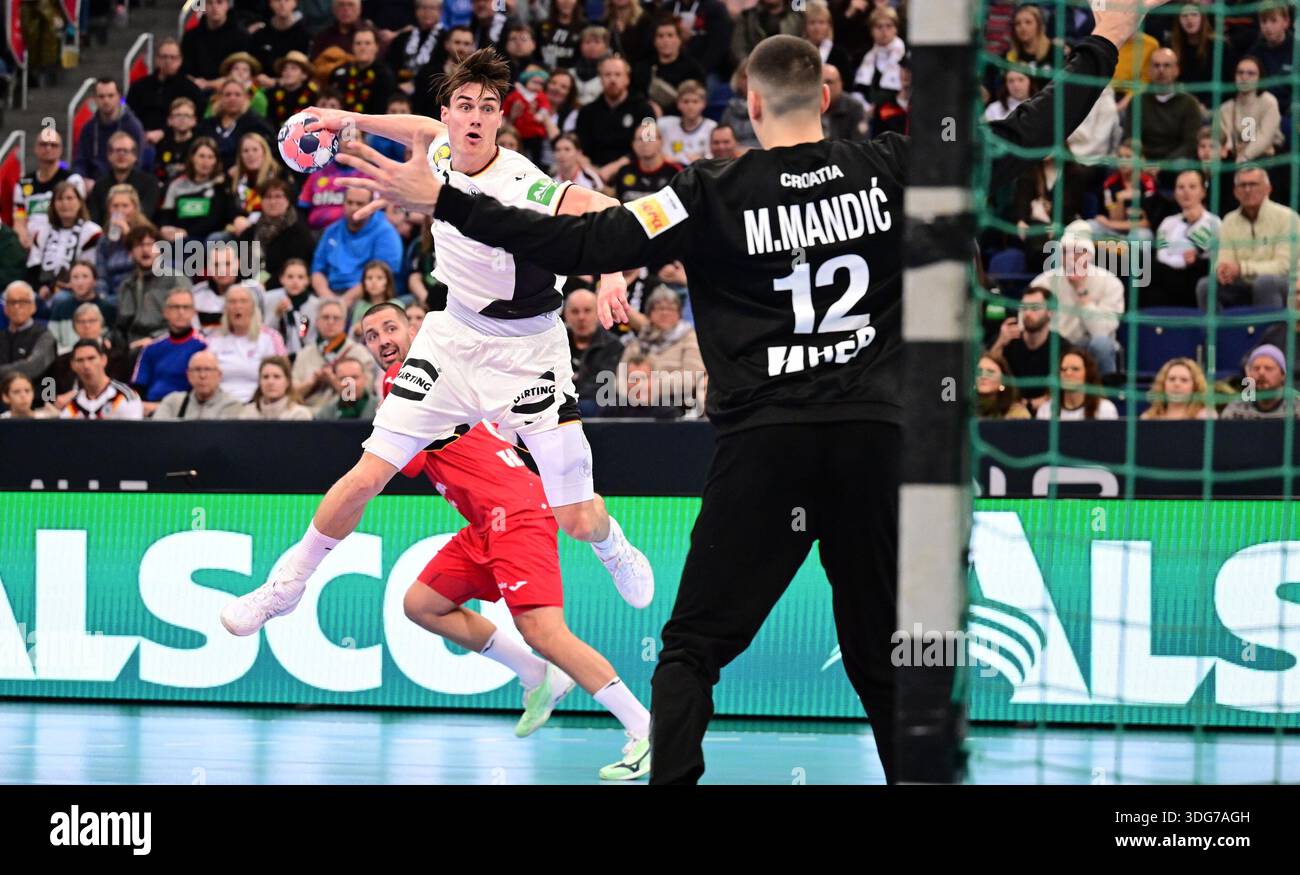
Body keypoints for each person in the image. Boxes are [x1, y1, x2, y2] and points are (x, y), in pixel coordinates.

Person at [346, 7, 1164, 782]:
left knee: (692, 649)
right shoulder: (892, 161)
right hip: (876, 437)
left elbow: (584, 237)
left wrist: (447, 199)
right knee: (886, 654)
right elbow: (1025, 137)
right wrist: (1109, 33)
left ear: (753, 102)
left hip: (764, 444)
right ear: (828, 96)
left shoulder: (705, 191)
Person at [221, 47, 656, 653]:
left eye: (487, 108)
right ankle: (286, 585)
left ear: (500, 118)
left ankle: (613, 545)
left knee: (577, 520)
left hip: (528, 351)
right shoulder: (443, 148)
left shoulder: (522, 182)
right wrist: (346, 116)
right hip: (451, 339)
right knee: (369, 472)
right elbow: (422, 131)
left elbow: (604, 208)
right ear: (450, 114)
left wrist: (612, 271)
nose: (474, 118)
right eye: (463, 106)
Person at [296, 301, 654, 778]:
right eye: (371, 336)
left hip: (518, 511)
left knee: (545, 632)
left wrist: (386, 423)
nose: (382, 340)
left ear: (415, 327)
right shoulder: (438, 374)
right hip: (483, 522)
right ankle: (536, 675)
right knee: (422, 603)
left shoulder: (408, 381)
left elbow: (409, 465)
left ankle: (645, 729)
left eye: (390, 328)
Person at [1025, 222, 1124, 375]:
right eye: (1065, 252)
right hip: (1054, 345)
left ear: (1089, 255)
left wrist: (1081, 291)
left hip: (1088, 346)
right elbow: (1025, 319)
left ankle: (1105, 394)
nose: (1071, 258)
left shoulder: (1110, 283)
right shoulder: (1043, 282)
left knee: (1102, 344)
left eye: (1078, 252)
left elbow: (1101, 332)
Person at [1196, 167, 1299, 312]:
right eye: (1242, 185)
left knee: (1265, 283)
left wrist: (1241, 269)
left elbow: (1283, 266)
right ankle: (1214, 334)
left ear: (1268, 189)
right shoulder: (1229, 220)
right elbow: (1223, 260)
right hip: (1243, 284)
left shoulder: (1288, 218)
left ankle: (1270, 334)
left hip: (1284, 284)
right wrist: (1222, 271)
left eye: (1253, 184)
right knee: (1206, 286)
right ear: (1235, 192)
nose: (1248, 190)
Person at [1151, 169, 1220, 309]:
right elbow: (1161, 255)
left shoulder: (1214, 222)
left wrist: (1193, 224)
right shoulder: (1167, 223)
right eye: (1181, 187)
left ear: (1203, 192)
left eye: (1192, 187)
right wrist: (1177, 264)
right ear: (1175, 193)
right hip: (1167, 275)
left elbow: (1204, 257)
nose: (1186, 192)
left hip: (1195, 277)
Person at [206, 285, 288, 403]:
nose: (238, 306)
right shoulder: (213, 341)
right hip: (221, 405)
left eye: (243, 301)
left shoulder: (271, 338)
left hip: (260, 403)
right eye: (232, 302)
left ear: (253, 307)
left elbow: (283, 374)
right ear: (226, 309)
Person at [131, 289, 206, 415]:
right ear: (165, 312)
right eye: (175, 307)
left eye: (186, 307)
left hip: (185, 412)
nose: (181, 312)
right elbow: (138, 387)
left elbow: (203, 390)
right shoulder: (151, 348)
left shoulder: (204, 347)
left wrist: (161, 408)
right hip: (148, 410)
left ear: (194, 312)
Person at [12, 127, 84, 252]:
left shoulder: (72, 180)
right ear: (35, 148)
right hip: (30, 245)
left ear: (61, 150)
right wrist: (22, 236)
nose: (48, 148)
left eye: (53, 145)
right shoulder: (23, 184)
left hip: (62, 242)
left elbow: (78, 216)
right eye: (43, 144)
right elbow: (19, 219)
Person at [71, 78, 146, 184]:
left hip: (124, 183)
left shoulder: (133, 126)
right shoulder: (88, 128)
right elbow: (80, 161)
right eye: (101, 96)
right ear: (95, 99)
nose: (106, 101)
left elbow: (137, 164)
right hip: (92, 185)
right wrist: (80, 179)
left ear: (118, 97)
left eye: (110, 96)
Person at [1216, 56, 1284, 163]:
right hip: (1235, 158)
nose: (1244, 77)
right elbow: (1226, 141)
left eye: (1251, 73)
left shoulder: (1269, 102)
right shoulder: (1225, 108)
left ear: (1260, 78)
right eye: (1240, 72)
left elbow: (1265, 137)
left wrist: (1245, 156)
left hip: (1267, 157)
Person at [60, 338, 144, 420]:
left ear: (103, 360)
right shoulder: (72, 405)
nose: (86, 365)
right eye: (80, 360)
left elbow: (133, 432)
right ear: (73, 365)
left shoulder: (125, 396)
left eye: (91, 358)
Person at [152, 349, 244, 420]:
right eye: (197, 369)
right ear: (188, 375)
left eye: (208, 369)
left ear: (219, 375)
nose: (202, 375)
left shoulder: (232, 405)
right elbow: (158, 433)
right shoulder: (173, 402)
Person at [1035, 347, 1119, 420]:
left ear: (1088, 374)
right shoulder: (1046, 410)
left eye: (1075, 369)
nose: (1068, 373)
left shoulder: (1105, 409)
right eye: (1063, 369)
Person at [1220, 343, 1300, 419]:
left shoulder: (1296, 407)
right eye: (1256, 368)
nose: (1261, 373)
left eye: (1268, 368)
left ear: (1283, 374)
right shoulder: (1236, 408)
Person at [0, 282, 57, 382]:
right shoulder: (2, 337)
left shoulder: (45, 335)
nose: (17, 306)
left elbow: (33, 367)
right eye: (12, 302)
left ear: (33, 307)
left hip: (40, 395)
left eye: (23, 301)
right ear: (5, 309)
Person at [238, 356, 314, 420]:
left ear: (287, 382)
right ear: (259, 382)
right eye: (265, 377)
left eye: (277, 377)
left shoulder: (299, 415)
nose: (270, 382)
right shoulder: (248, 414)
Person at [1141, 356, 1213, 420]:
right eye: (1172, 379)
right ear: (1163, 384)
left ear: (1195, 386)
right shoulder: (1148, 418)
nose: (1177, 384)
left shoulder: (1206, 417)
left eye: (1184, 380)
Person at [975, 351, 1030, 420]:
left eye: (990, 372)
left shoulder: (1018, 414)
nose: (983, 376)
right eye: (979, 371)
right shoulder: (963, 410)